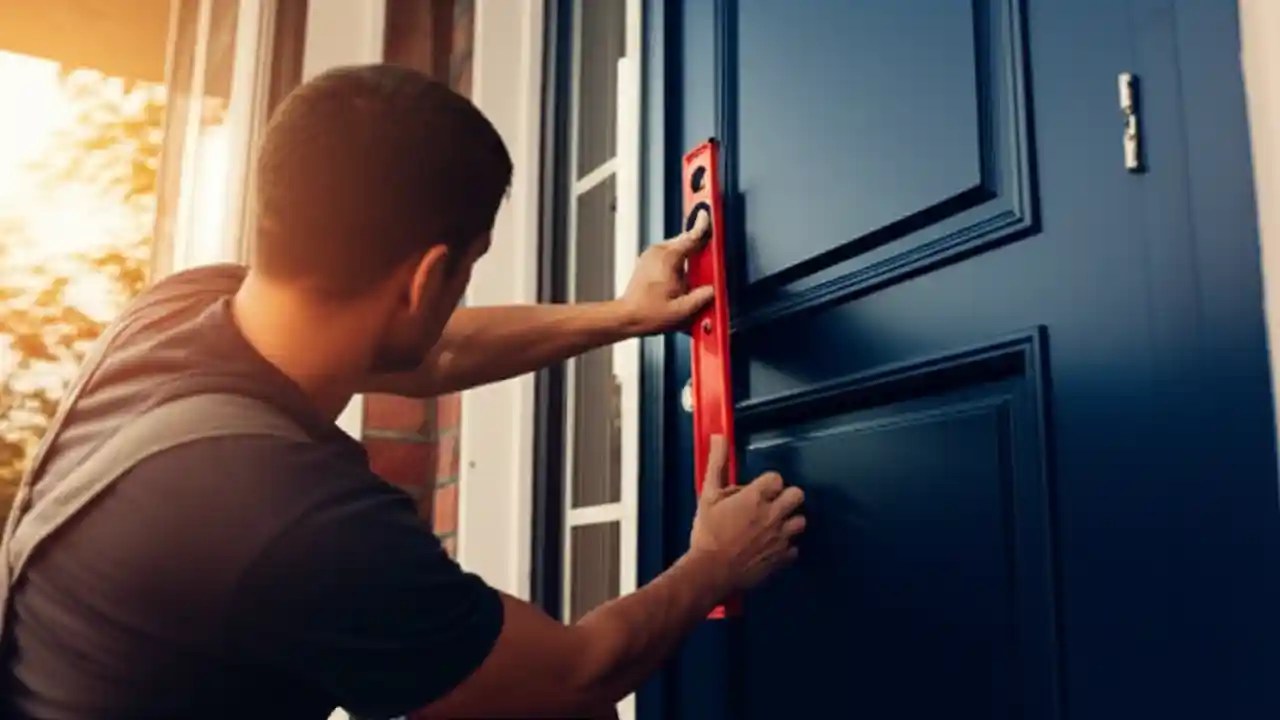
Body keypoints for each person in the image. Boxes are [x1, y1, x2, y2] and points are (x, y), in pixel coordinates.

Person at [0, 64, 805, 719]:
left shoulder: (177, 309)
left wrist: (625, 317)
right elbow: (571, 679)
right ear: (427, 276)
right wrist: (714, 562)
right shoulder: (286, 516)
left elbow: (434, 351)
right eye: (467, 266)